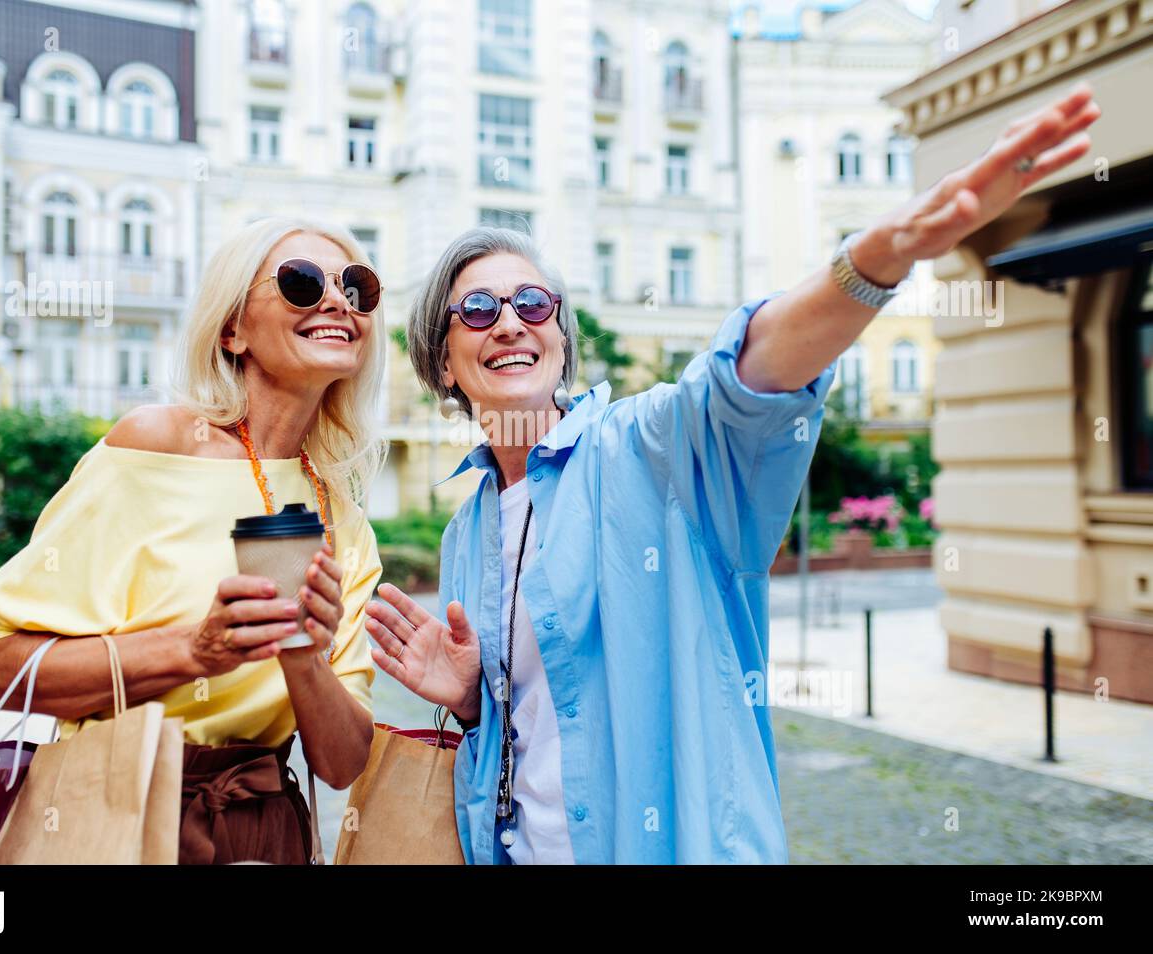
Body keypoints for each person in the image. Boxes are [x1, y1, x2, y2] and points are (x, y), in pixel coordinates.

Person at [365, 86, 1101, 863]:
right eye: (476, 309)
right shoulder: (466, 529)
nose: (510, 321)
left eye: (533, 303)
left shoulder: (650, 450)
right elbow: (539, 725)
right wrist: (475, 699)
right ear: (441, 361)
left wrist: (879, 257)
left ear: (561, 337)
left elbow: (749, 378)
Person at [0, 216, 387, 864]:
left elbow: (341, 763)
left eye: (356, 286)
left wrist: (302, 655)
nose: (338, 301)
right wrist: (193, 651)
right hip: (117, 812)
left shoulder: (344, 519)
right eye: (303, 282)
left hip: (264, 832)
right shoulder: (153, 449)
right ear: (232, 329)